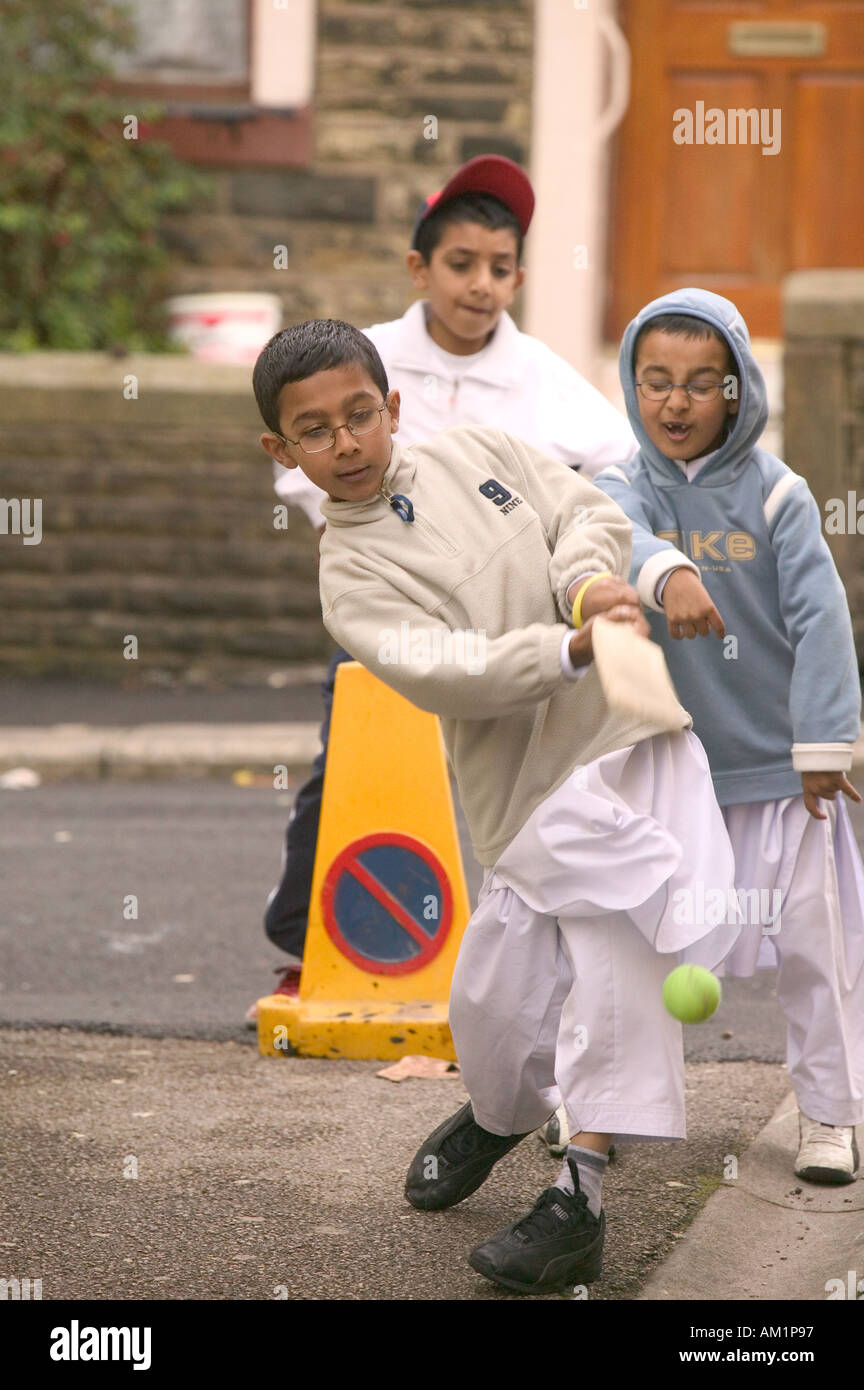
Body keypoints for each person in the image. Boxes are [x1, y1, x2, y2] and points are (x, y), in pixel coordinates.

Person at [252, 318, 741, 1294]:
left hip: (628, 728)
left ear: (392, 408)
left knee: (617, 957)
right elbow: (445, 671)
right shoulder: (349, 577)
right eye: (316, 431)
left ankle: (579, 1198)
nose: (345, 444)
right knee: (492, 1007)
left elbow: (583, 512)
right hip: (522, 791)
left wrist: (590, 586)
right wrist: (563, 648)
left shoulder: (484, 448)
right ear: (282, 450)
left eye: (359, 415)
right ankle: (502, 1109)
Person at [249, 155, 636, 1020]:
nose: (481, 285)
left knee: (512, 779)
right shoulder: (367, 353)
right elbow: (308, 458)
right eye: (462, 264)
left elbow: (612, 468)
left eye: (500, 269)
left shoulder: (536, 374)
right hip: (392, 593)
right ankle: (307, 939)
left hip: (511, 613)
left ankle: (516, 965)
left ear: (521, 279)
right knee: (349, 763)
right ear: (421, 269)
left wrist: (580, 566)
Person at [593, 287, 864, 1185]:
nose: (675, 402)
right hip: (668, 771)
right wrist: (666, 568)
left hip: (778, 774)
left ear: (738, 390)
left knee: (816, 951)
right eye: (656, 380)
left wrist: (824, 747)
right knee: (630, 946)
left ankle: (829, 1115)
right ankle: (604, 1110)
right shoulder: (621, 484)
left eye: (701, 383)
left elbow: (824, 622)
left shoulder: (780, 496)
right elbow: (602, 534)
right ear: (633, 385)